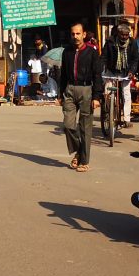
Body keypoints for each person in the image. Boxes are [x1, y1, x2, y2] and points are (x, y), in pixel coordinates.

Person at [58, 20, 104, 171]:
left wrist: (97, 97)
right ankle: (79, 151)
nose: (75, 36)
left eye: (78, 33)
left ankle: (84, 161)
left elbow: (97, 75)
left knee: (85, 127)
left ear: (84, 34)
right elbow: (63, 74)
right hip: (70, 89)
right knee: (68, 125)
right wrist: (60, 93)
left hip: (86, 90)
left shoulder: (92, 52)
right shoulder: (67, 52)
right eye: (73, 34)